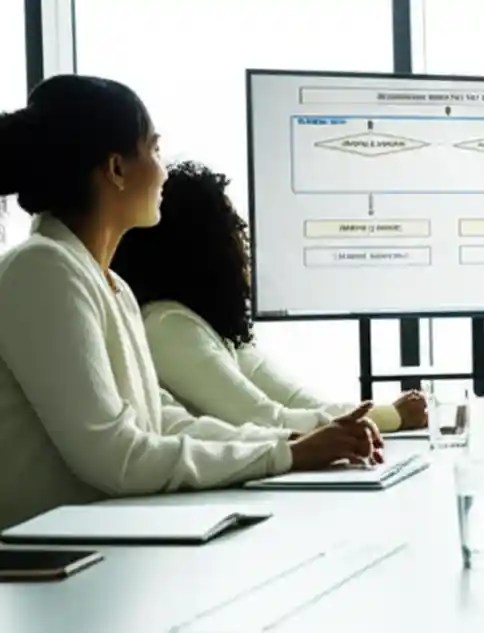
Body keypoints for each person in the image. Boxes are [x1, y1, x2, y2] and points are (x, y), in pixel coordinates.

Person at [0, 75, 379, 530]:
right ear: (117, 169)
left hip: (104, 547)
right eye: (155, 149)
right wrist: (285, 453)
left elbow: (165, 423)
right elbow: (117, 456)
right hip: (55, 567)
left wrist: (295, 441)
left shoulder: (108, 284)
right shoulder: (42, 269)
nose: (163, 171)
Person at [111, 161, 427, 435]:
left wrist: (389, 413)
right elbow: (265, 420)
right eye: (233, 230)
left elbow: (299, 403)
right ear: (202, 248)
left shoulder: (212, 331)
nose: (244, 244)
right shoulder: (168, 327)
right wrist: (392, 417)